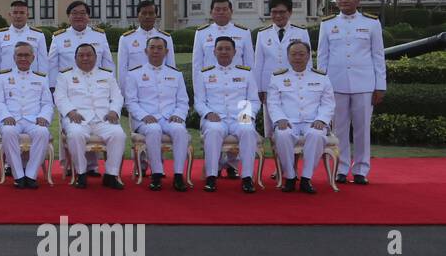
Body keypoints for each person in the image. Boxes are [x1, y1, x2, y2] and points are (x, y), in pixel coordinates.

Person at [318, 0, 386, 185]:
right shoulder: (328, 24)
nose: (344, 1)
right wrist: (322, 85)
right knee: (339, 129)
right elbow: (322, 57)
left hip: (364, 84)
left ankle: (361, 170)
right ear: (336, 1)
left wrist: (380, 85)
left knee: (362, 129)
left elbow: (378, 55)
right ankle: (341, 168)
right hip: (336, 83)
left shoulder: (372, 23)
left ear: (357, 0)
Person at [49, 1, 113, 176]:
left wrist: (109, 89)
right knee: (70, 126)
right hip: (69, 92)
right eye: (75, 13)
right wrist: (54, 90)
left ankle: (91, 166)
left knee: (93, 122)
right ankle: (69, 165)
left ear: (88, 16)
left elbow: (108, 64)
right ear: (69, 16)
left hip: (95, 90)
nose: (79, 16)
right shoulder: (59, 37)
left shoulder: (99, 36)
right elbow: (52, 65)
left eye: (83, 13)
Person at [54, 43, 125, 190]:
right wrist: (71, 112)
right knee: (75, 134)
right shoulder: (65, 76)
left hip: (103, 118)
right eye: (81, 55)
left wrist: (114, 111)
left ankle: (111, 175)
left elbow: (117, 96)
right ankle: (81, 173)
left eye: (89, 55)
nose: (85, 58)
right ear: (75, 58)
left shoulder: (107, 75)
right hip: (78, 118)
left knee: (118, 134)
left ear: (95, 57)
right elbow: (60, 97)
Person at [268, 40, 335, 194]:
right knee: (283, 135)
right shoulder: (277, 77)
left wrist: (322, 120)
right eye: (293, 54)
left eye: (301, 54)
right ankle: (290, 177)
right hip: (288, 121)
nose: (297, 57)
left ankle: (306, 178)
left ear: (308, 56)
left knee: (316, 135)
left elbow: (328, 103)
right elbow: (273, 103)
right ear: (288, 56)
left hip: (313, 122)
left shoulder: (321, 77)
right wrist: (280, 119)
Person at [122, 36, 189, 192]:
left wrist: (179, 114)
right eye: (152, 47)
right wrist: (144, 116)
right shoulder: (134, 74)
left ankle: (178, 175)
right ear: (146, 51)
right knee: (153, 130)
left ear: (166, 51)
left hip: (170, 117)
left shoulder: (175, 74)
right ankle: (157, 174)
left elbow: (183, 101)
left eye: (160, 48)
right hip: (145, 119)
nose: (156, 51)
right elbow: (131, 102)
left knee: (180, 130)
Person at [195, 36, 259, 194]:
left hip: (240, 116)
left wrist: (247, 115)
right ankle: (211, 176)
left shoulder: (246, 73)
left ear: (235, 51)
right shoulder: (204, 74)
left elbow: (253, 100)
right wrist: (208, 113)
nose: (224, 52)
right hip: (216, 117)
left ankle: (247, 178)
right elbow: (199, 102)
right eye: (220, 49)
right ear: (214, 51)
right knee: (213, 131)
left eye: (228, 49)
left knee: (248, 131)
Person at [0, 42, 53, 189]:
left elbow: (47, 103)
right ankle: (18, 175)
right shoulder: (2, 77)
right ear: (14, 57)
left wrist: (44, 116)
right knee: (8, 131)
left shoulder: (41, 78)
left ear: (33, 57)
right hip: (11, 119)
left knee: (43, 132)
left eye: (27, 55)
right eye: (20, 55)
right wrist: (5, 116)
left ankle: (31, 175)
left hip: (34, 120)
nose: (23, 58)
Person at [252, 0, 310, 115]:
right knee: (270, 121)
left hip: (294, 84)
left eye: (282, 12)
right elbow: (258, 63)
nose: (278, 16)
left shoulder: (301, 32)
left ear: (290, 13)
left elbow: (307, 61)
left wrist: (306, 84)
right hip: (269, 84)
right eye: (274, 12)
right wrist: (259, 88)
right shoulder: (263, 34)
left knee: (293, 118)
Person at [114, 0, 175, 96]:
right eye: (144, 13)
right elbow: (122, 71)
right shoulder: (126, 39)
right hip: (136, 91)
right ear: (138, 15)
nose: (147, 16)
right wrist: (124, 95)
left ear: (156, 16)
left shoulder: (166, 38)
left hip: (160, 91)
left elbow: (171, 66)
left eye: (151, 13)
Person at [192, 0, 254, 76]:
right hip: (211, 83)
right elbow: (197, 65)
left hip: (237, 83)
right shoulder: (201, 33)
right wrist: (198, 87)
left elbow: (249, 63)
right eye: (217, 9)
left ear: (231, 12)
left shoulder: (243, 32)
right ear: (211, 12)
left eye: (225, 9)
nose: (221, 12)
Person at [0, 0, 48, 76]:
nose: (18, 16)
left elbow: (43, 64)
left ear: (27, 15)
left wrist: (44, 85)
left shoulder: (38, 35)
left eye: (22, 13)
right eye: (15, 13)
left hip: (32, 83)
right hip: (7, 83)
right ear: (10, 15)